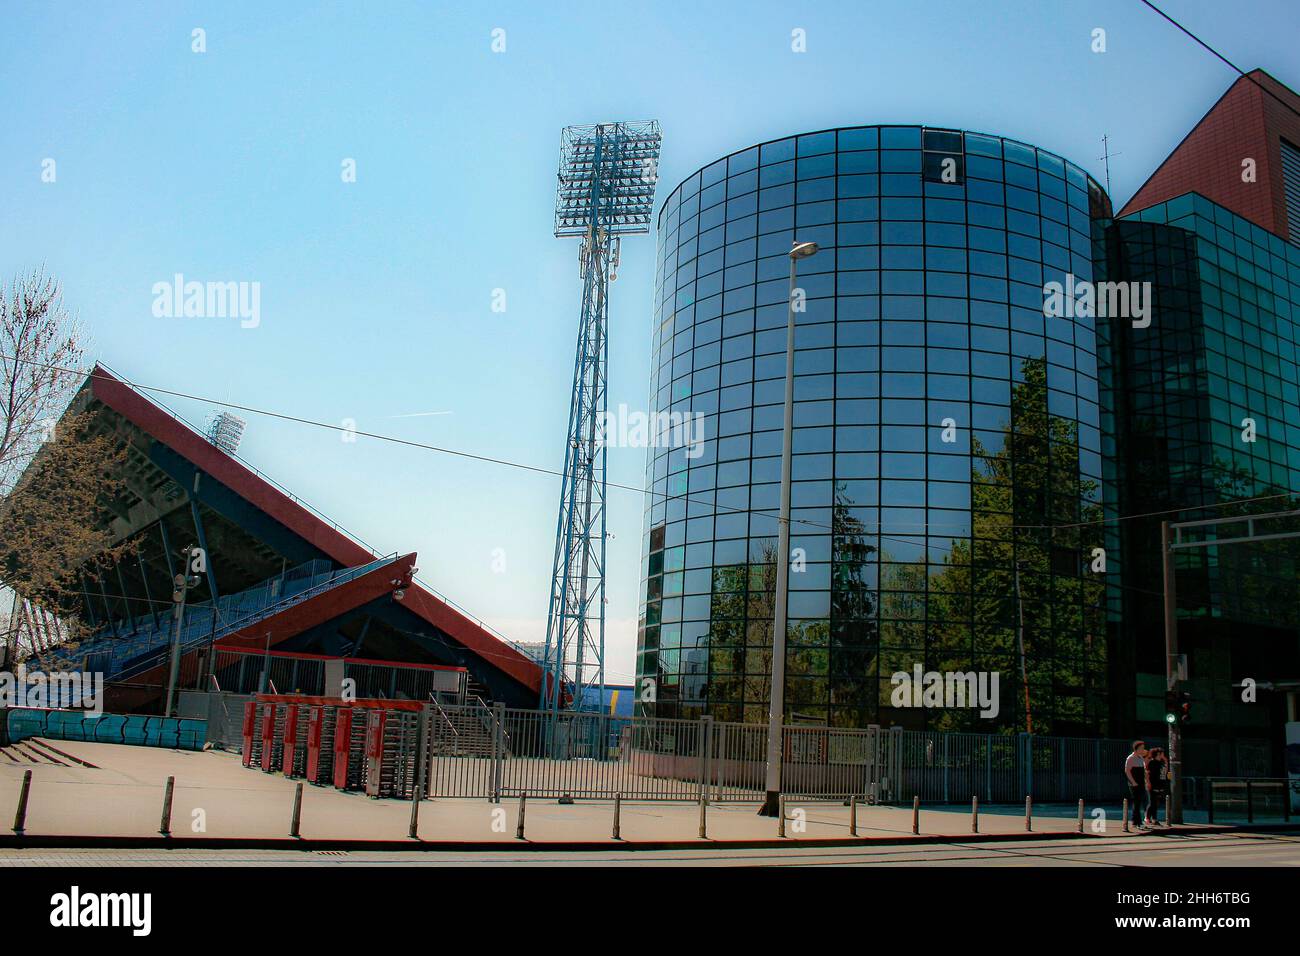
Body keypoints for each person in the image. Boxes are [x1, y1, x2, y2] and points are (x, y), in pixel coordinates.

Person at [1124, 740, 1148, 830]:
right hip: (1134, 783)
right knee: (1137, 802)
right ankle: (1138, 822)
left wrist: (1146, 781)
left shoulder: (1141, 758)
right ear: (1136, 749)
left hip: (1141, 782)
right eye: (1141, 748)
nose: (1143, 750)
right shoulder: (1130, 758)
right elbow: (1127, 771)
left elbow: (1144, 771)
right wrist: (1133, 782)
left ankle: (1134, 821)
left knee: (1139, 801)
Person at [1146, 747, 1169, 826]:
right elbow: (1148, 774)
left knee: (1156, 802)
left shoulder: (1161, 762)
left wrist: (1166, 761)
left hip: (1160, 784)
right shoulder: (1152, 762)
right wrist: (1148, 783)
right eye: (1162, 753)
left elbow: (1165, 772)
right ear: (1158, 754)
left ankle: (1152, 818)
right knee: (1152, 802)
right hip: (1153, 784)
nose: (1163, 754)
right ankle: (1150, 818)